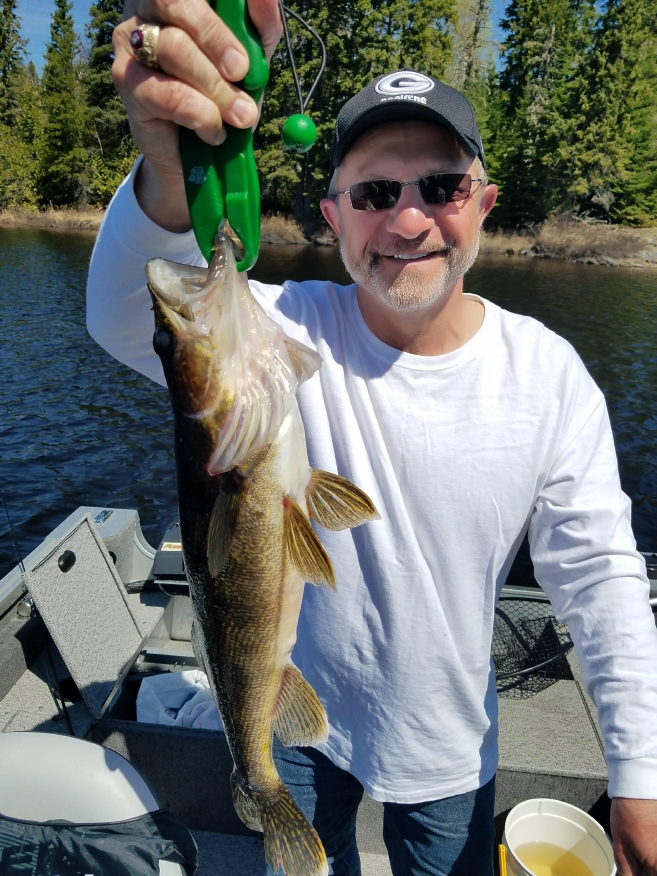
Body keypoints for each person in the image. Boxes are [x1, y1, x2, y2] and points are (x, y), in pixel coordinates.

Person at [87, 1, 657, 873]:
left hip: (450, 744)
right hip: (303, 721)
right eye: (375, 193)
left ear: (484, 204)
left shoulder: (548, 376)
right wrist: (171, 172)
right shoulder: (281, 332)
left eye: (440, 186)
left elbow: (599, 577)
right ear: (334, 215)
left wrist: (639, 774)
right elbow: (128, 317)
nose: (407, 219)